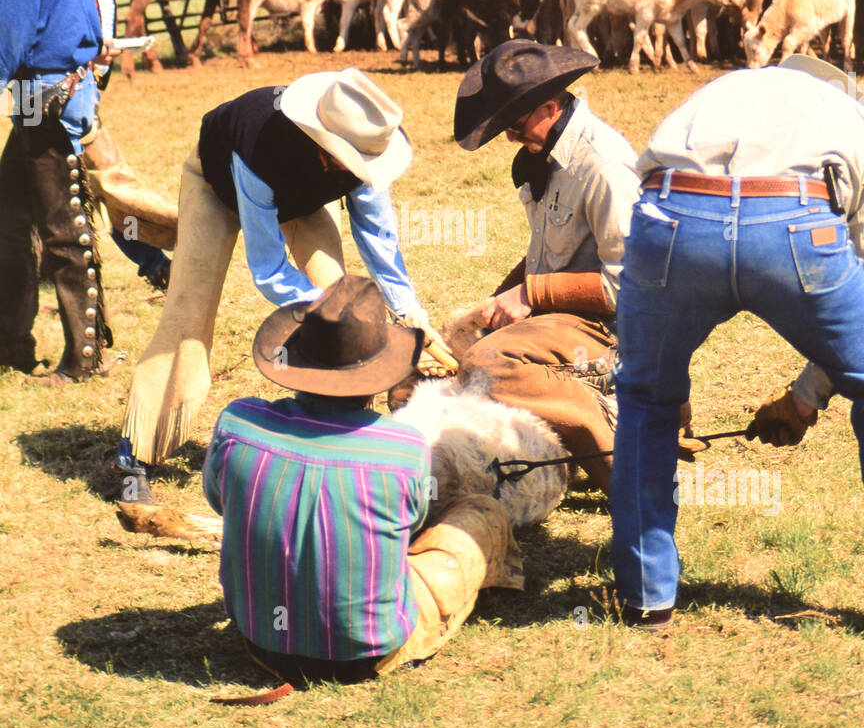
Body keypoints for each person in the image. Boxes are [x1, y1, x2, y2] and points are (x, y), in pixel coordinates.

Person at [610, 55, 864, 630]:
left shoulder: (722, 89)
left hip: (674, 217)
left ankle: (647, 598)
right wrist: (809, 395)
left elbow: (646, 173)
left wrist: (803, 398)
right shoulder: (846, 113)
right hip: (794, 223)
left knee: (647, 400)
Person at [116, 68, 447, 502]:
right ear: (323, 144)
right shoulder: (262, 147)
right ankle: (132, 457)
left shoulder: (368, 138)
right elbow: (269, 267)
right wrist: (339, 309)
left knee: (346, 326)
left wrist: (407, 315)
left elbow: (378, 239)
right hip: (219, 189)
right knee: (188, 322)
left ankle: (336, 439)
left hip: (299, 200)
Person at [204, 274, 522, 696]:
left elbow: (220, 500)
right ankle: (505, 591)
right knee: (483, 512)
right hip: (365, 655)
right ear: (379, 374)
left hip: (258, 642)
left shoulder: (237, 423)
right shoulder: (405, 450)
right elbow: (411, 526)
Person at [452, 40, 642, 493]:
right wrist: (494, 304)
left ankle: (617, 456)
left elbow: (632, 288)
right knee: (437, 353)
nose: (511, 139)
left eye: (514, 126)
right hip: (558, 321)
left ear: (551, 107)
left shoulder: (605, 166)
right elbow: (550, 253)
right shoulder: (550, 156)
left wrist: (531, 294)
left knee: (487, 363)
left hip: (609, 332)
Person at [0, 0, 114, 385]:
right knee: (10, 218)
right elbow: (90, 3)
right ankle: (11, 343)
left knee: (61, 228)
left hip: (40, 96)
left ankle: (83, 358)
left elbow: (10, 30)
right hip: (58, 88)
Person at [68, 0, 176, 292]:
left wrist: (104, 50)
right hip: (65, 88)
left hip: (87, 87)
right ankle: (154, 261)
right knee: (102, 179)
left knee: (84, 184)